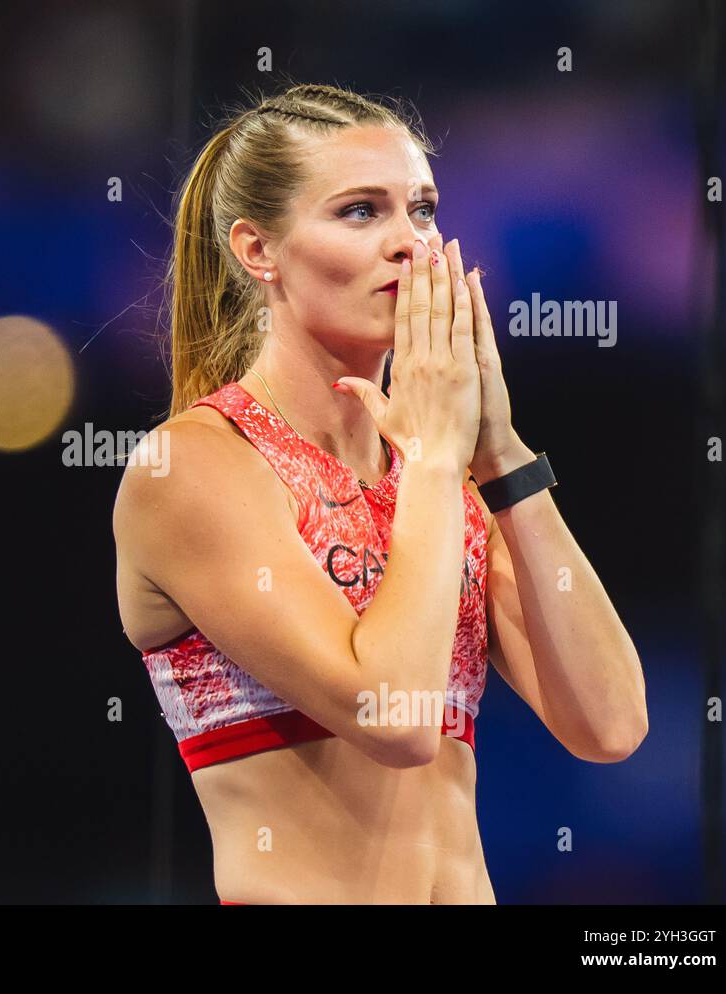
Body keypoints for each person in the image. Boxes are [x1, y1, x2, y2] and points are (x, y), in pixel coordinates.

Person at [112, 82, 648, 904]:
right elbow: (393, 719)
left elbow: (609, 724)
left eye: (423, 210)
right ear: (258, 251)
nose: (411, 244)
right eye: (362, 212)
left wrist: (499, 455)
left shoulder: (444, 478)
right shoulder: (192, 466)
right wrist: (437, 459)